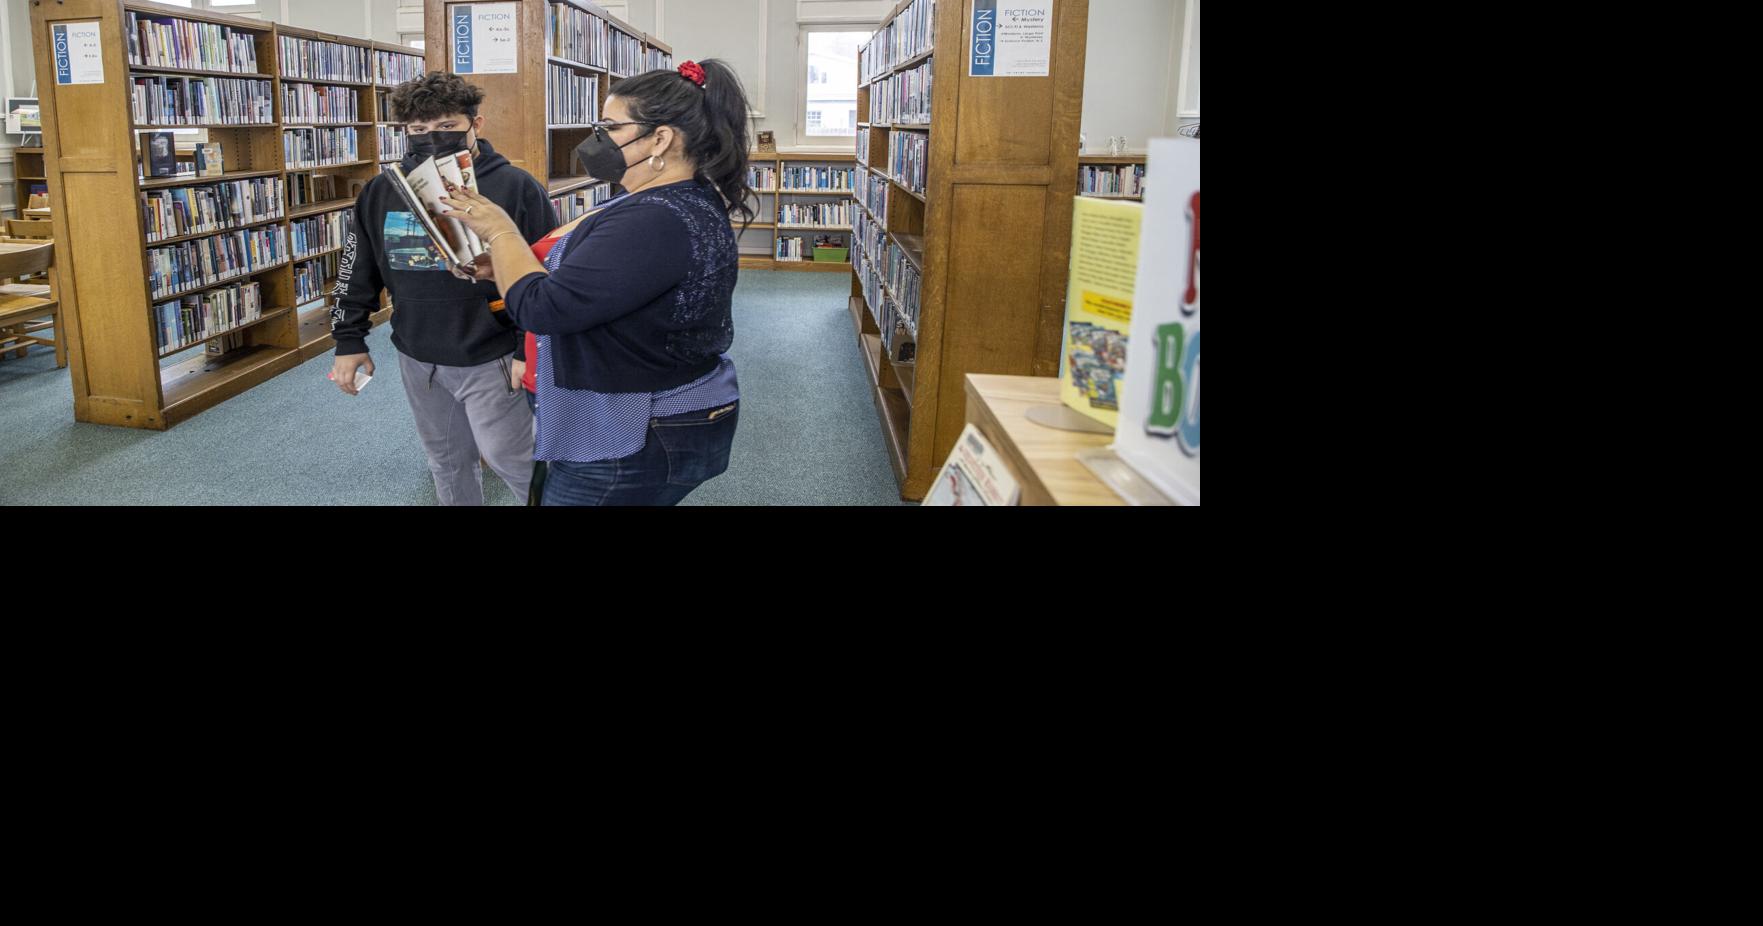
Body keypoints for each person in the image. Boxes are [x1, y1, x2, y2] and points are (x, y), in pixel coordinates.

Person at [439, 60, 751, 506]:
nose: (595, 139)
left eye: (609, 126)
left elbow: (543, 310)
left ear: (660, 138)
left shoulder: (653, 218)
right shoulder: (669, 199)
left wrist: (501, 231)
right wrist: (507, 264)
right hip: (644, 408)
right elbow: (603, 283)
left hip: (634, 427)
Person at [329, 71, 555, 505]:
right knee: (447, 461)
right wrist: (348, 339)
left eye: (447, 127)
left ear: (476, 124)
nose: (432, 138)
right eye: (419, 130)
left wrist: (529, 349)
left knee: (513, 458)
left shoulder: (515, 187)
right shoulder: (382, 190)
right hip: (418, 352)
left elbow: (544, 271)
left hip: (493, 351)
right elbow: (358, 266)